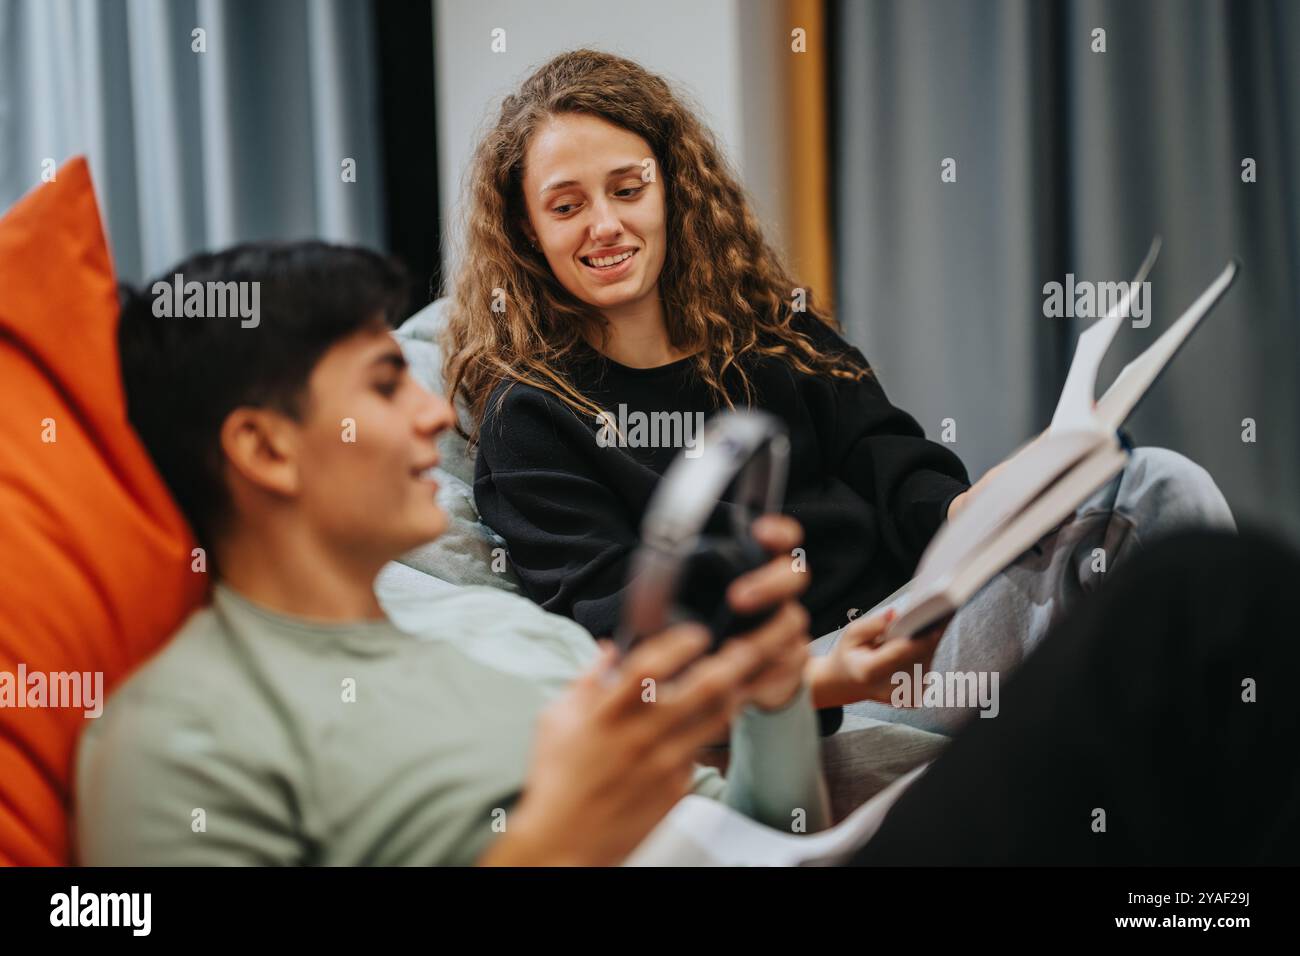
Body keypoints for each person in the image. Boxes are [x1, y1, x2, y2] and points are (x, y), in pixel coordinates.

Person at [444, 50, 1235, 729]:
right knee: (1140, 507)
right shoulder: (533, 418)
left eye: (628, 188)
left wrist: (975, 509)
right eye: (566, 206)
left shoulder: (764, 327)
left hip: (918, 608)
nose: (605, 225)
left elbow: (888, 457)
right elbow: (625, 625)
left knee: (1153, 480)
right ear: (526, 233)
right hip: (809, 693)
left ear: (672, 191)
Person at [76, 241, 870, 866]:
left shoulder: (516, 636)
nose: (434, 415)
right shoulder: (182, 741)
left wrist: (772, 702)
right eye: (387, 385)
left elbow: (763, 840)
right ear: (265, 449)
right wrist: (551, 843)